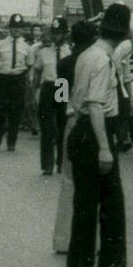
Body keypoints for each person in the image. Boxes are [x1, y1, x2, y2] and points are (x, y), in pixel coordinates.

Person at [65, 4, 133, 267]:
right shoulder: (103, 61)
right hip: (95, 132)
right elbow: (95, 105)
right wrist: (105, 148)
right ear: (121, 35)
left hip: (84, 132)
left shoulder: (89, 54)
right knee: (106, 206)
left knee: (91, 205)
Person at [54, 21, 97, 254]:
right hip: (91, 121)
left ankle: (62, 240)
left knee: (68, 182)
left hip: (70, 122)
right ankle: (92, 241)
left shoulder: (63, 64)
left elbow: (59, 98)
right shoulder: (96, 62)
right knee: (91, 185)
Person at [32, 18, 69, 176]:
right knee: (46, 127)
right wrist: (34, 92)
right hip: (48, 87)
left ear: (65, 34)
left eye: (59, 33)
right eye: (54, 33)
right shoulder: (44, 52)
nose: (56, 37)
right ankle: (47, 164)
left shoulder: (70, 51)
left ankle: (61, 162)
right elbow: (37, 72)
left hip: (62, 86)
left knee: (62, 125)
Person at [0, 13, 31, 150]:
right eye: (14, 28)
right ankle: (1, 128)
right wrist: (1, 71)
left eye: (19, 28)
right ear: (9, 28)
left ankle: (11, 141)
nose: (16, 31)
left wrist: (20, 73)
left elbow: (29, 64)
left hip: (17, 79)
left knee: (16, 110)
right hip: (2, 78)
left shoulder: (26, 46)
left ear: (22, 30)